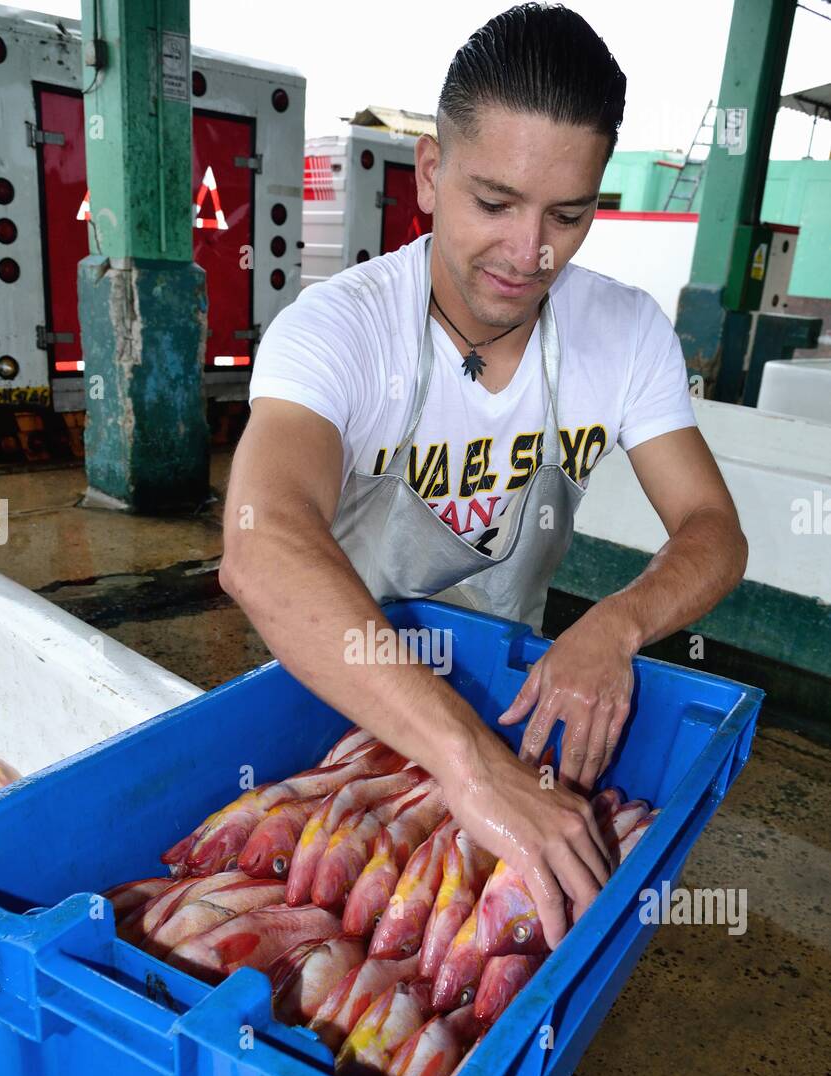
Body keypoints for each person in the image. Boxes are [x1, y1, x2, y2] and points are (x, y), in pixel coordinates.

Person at [220, 3, 748, 947]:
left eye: (568, 215)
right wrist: (465, 765)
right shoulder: (338, 331)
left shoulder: (623, 337)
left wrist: (613, 625)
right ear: (430, 174)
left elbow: (713, 529)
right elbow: (260, 549)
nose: (528, 252)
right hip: (333, 696)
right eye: (495, 203)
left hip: (508, 694)